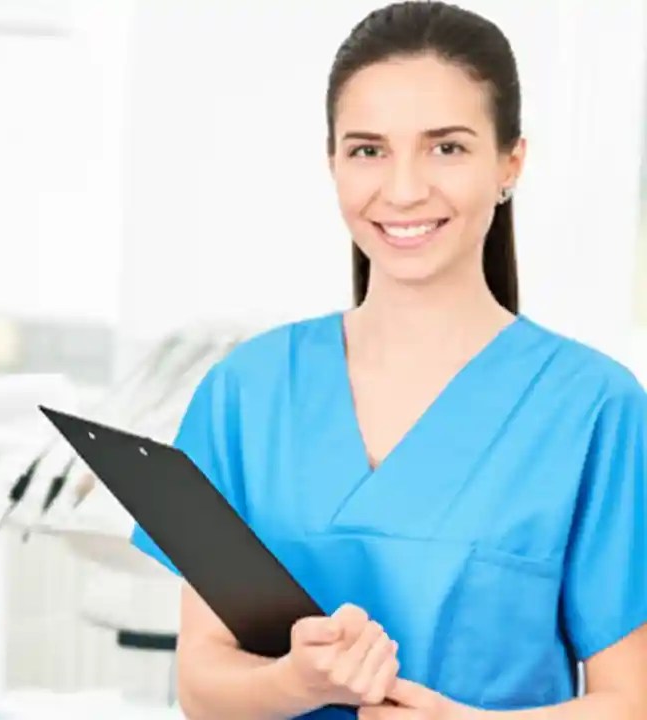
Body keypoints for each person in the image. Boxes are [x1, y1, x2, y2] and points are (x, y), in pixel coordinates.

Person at [129, 2, 647, 718]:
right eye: (369, 150)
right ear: (333, 162)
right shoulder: (245, 393)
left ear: (510, 163)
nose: (403, 190)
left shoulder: (594, 409)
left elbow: (632, 699)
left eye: (447, 147)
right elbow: (203, 686)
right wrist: (298, 684)